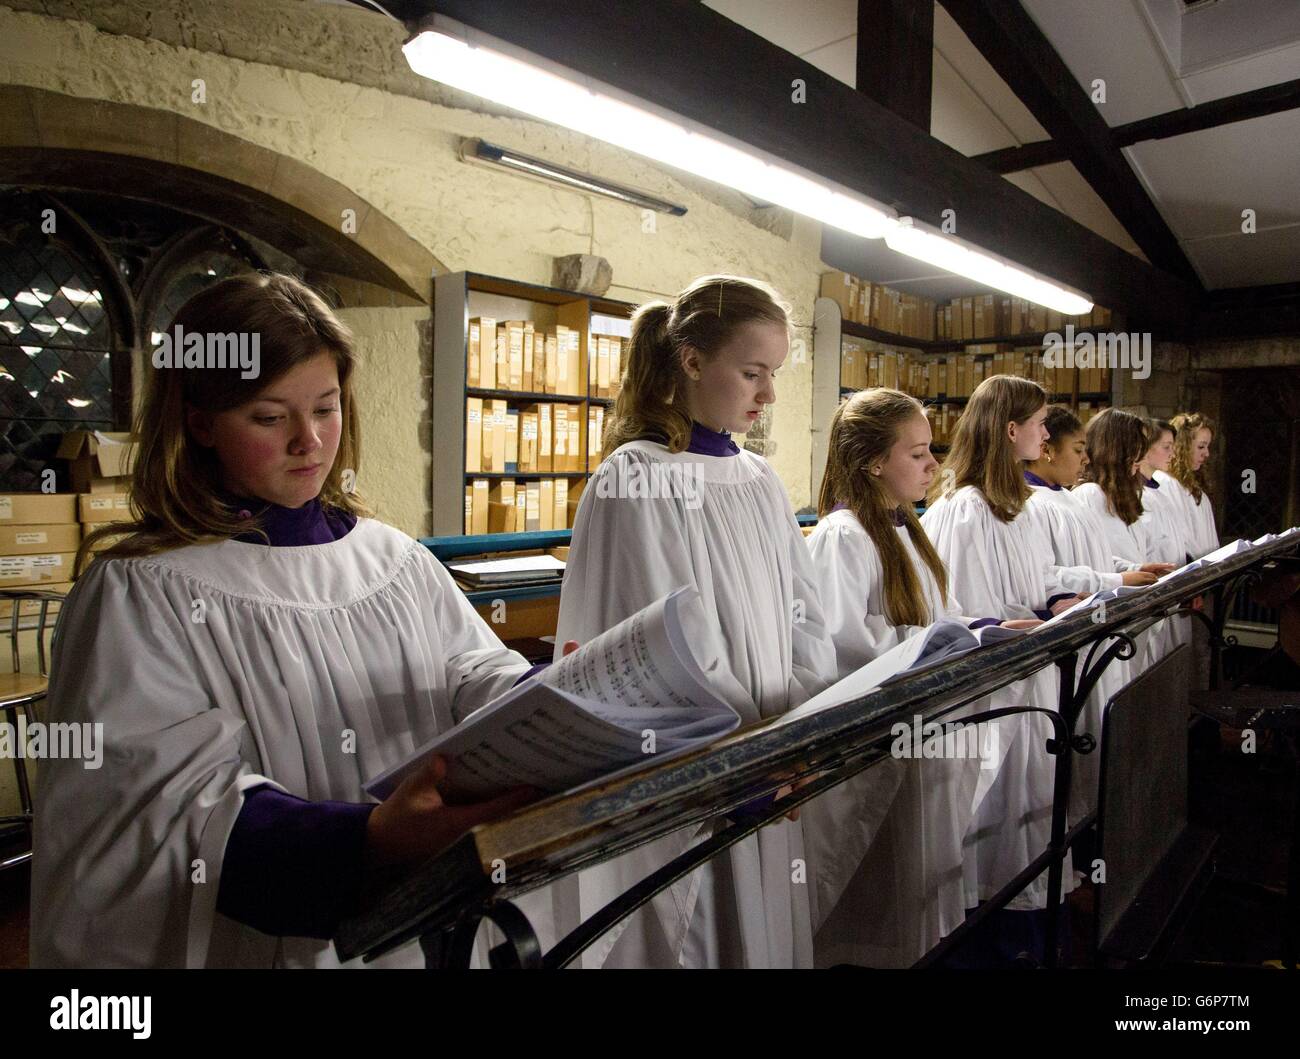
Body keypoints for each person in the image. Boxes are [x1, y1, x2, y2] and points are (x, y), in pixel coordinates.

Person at [31, 273, 538, 968]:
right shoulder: (142, 590)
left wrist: (548, 703)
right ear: (199, 420)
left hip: (414, 924)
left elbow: (471, 671)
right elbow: (157, 810)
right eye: (270, 418)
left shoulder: (393, 561)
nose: (309, 441)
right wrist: (369, 840)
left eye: (326, 408)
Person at [551, 274, 836, 968]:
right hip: (704, 775)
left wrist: (799, 728)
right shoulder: (636, 477)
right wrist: (745, 755)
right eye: (752, 372)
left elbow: (807, 614)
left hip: (772, 763)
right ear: (690, 360)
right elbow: (666, 646)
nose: (767, 395)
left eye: (774, 374)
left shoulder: (759, 478)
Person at [802, 387, 1038, 967]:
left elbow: (941, 613)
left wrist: (985, 627)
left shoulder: (907, 527)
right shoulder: (844, 536)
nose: (934, 464)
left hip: (925, 729)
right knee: (884, 893)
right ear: (873, 462)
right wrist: (937, 645)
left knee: (921, 883)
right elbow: (842, 651)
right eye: (918, 453)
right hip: (884, 742)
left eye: (931, 450)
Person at [919, 375, 1082, 959]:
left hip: (1032, 677)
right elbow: (960, 611)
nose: (1046, 431)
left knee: (1029, 818)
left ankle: (1028, 935)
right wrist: (1019, 620)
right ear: (1010, 430)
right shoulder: (965, 510)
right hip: (992, 694)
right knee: (992, 823)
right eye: (1039, 422)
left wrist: (1062, 601)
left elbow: (1038, 584)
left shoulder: (1024, 507)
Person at [1022, 406, 1168, 818]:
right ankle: (1085, 824)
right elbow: (1046, 574)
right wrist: (1117, 580)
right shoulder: (1033, 502)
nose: (1084, 459)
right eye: (1076, 448)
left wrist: (1129, 570)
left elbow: (1099, 556)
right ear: (1047, 450)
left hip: (1103, 626)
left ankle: (1100, 814)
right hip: (1081, 631)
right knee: (1084, 732)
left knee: (1104, 731)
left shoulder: (1067, 497)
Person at [1074, 408, 1176, 665]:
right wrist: (1127, 574)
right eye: (1136, 446)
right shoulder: (1089, 495)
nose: (1140, 456)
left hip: (1133, 612)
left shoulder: (1124, 496)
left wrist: (1140, 568)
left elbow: (1126, 554)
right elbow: (1093, 560)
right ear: (1116, 449)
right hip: (1108, 619)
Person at [1157, 412, 1220, 559]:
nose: (1207, 453)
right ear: (1182, 447)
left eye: (1207, 447)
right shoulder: (1164, 483)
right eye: (1201, 446)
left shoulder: (1197, 491)